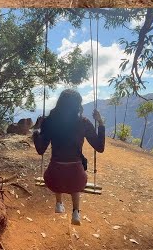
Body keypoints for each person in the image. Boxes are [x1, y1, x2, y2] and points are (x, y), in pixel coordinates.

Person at [33, 89, 105, 226]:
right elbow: (100, 147)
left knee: (59, 171)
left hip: (53, 179)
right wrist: (100, 122)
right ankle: (76, 212)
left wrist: (37, 129)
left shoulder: (49, 121)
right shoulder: (83, 123)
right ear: (78, 105)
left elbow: (40, 149)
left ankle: (59, 204)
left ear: (59, 103)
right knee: (75, 174)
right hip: (76, 179)